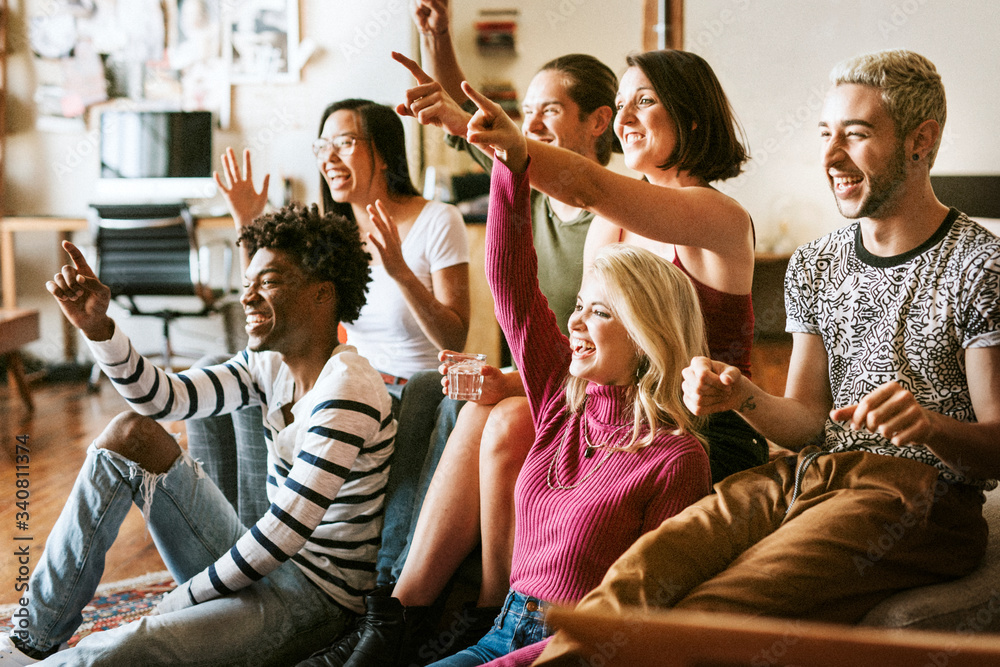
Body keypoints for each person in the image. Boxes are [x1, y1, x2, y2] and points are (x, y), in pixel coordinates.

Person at [531, 49, 1000, 666]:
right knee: (637, 579)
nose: (831, 157)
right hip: (805, 473)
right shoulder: (818, 262)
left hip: (915, 495)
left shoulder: (980, 264)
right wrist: (741, 396)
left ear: (922, 140)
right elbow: (806, 420)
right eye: (826, 135)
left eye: (855, 136)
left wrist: (931, 426)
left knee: (715, 611)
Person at [300, 78, 713, 667]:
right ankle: (394, 613)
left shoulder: (676, 460)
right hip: (502, 630)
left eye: (598, 313)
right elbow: (512, 288)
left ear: (648, 336)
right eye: (577, 309)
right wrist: (508, 165)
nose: (574, 324)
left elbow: (649, 617)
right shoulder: (564, 409)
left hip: (568, 648)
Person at [1, 206, 396, 665]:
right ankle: (31, 638)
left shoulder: (348, 389)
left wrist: (182, 599)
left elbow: (284, 534)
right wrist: (98, 328)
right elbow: (161, 399)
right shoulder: (267, 365)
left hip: (316, 600)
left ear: (322, 295)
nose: (247, 298)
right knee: (131, 433)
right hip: (266, 566)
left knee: (134, 645)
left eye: (267, 282)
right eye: (247, 284)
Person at [370, 0, 619, 609]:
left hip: (584, 389)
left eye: (549, 113)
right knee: (457, 405)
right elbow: (471, 116)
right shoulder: (523, 184)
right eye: (524, 112)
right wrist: (438, 34)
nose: (527, 125)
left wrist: (508, 381)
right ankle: (405, 598)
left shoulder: (620, 214)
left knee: (496, 417)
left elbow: (610, 357)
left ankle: (483, 606)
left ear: (598, 121)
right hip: (527, 379)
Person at [186, 97, 470, 538]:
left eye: (344, 142)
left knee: (262, 388)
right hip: (338, 378)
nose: (329, 158)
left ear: (384, 150)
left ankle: (256, 547)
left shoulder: (437, 219)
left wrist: (400, 273)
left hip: (405, 395)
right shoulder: (332, 233)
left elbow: (454, 337)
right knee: (222, 373)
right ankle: (231, 538)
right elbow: (267, 306)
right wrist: (246, 222)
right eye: (322, 146)